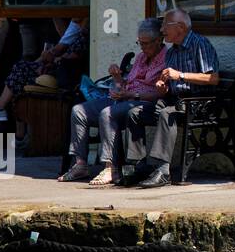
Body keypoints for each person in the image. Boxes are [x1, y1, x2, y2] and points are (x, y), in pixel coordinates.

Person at [59, 18, 171, 185]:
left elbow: (161, 92)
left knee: (107, 114)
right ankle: (80, 164)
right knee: (79, 111)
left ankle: (111, 168)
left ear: (159, 40)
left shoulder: (167, 59)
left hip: (143, 102)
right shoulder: (141, 57)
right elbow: (128, 82)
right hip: (124, 98)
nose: (143, 47)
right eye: (140, 43)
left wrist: (132, 95)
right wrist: (117, 77)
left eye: (146, 43)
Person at [120, 8, 218, 189]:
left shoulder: (200, 44)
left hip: (196, 102)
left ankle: (162, 170)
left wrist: (180, 75)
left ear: (180, 27)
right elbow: (169, 82)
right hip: (174, 100)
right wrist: (163, 87)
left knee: (167, 113)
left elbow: (213, 78)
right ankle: (138, 166)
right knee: (135, 112)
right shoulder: (172, 51)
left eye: (166, 25)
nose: (162, 29)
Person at [0, 18, 88, 124]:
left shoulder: (85, 33)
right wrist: (44, 61)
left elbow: (72, 56)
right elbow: (60, 49)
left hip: (67, 75)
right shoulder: (76, 29)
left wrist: (53, 58)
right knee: (20, 72)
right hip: (58, 67)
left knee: (21, 72)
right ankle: (5, 118)